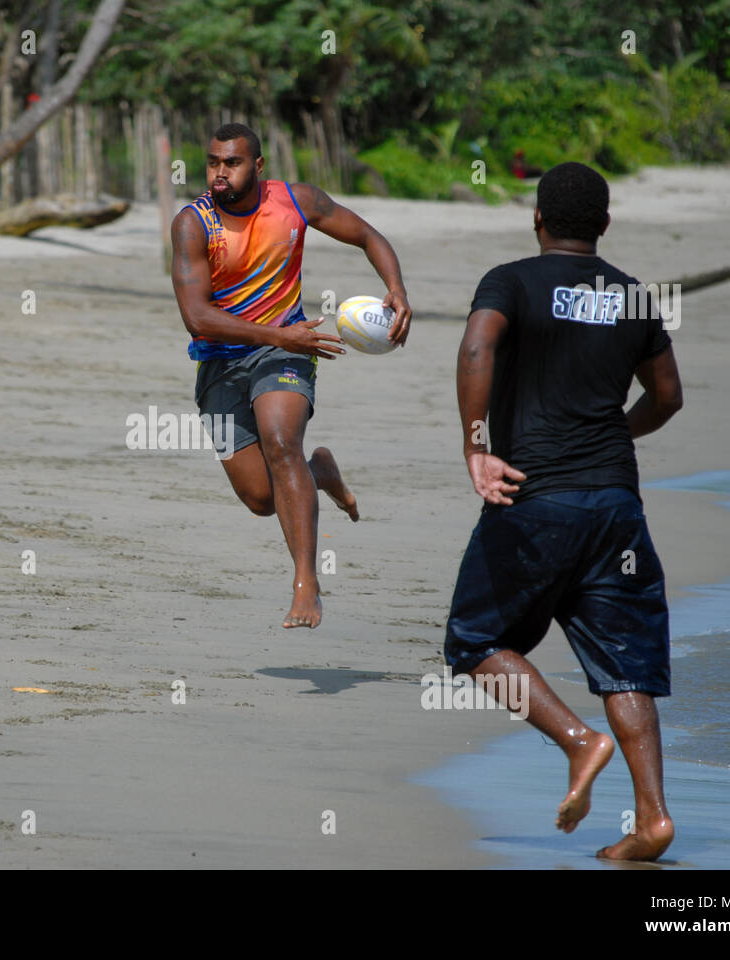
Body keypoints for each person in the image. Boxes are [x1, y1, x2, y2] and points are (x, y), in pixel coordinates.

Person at [445, 161, 683, 860]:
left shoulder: (511, 279)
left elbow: (476, 344)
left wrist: (477, 445)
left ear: (538, 219)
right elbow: (667, 397)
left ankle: (579, 742)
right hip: (617, 507)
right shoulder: (635, 297)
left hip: (536, 498)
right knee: (626, 666)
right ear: (604, 226)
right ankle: (653, 821)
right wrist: (612, 435)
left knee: (474, 640)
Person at [170, 123, 412, 629]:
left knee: (281, 442)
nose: (219, 172)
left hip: (286, 353)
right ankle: (318, 471)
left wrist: (396, 289)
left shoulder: (296, 201)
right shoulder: (193, 224)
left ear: (257, 167)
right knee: (261, 499)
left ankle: (306, 582)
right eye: (213, 162)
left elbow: (367, 235)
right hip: (222, 361)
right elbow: (197, 317)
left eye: (231, 163)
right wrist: (283, 337)